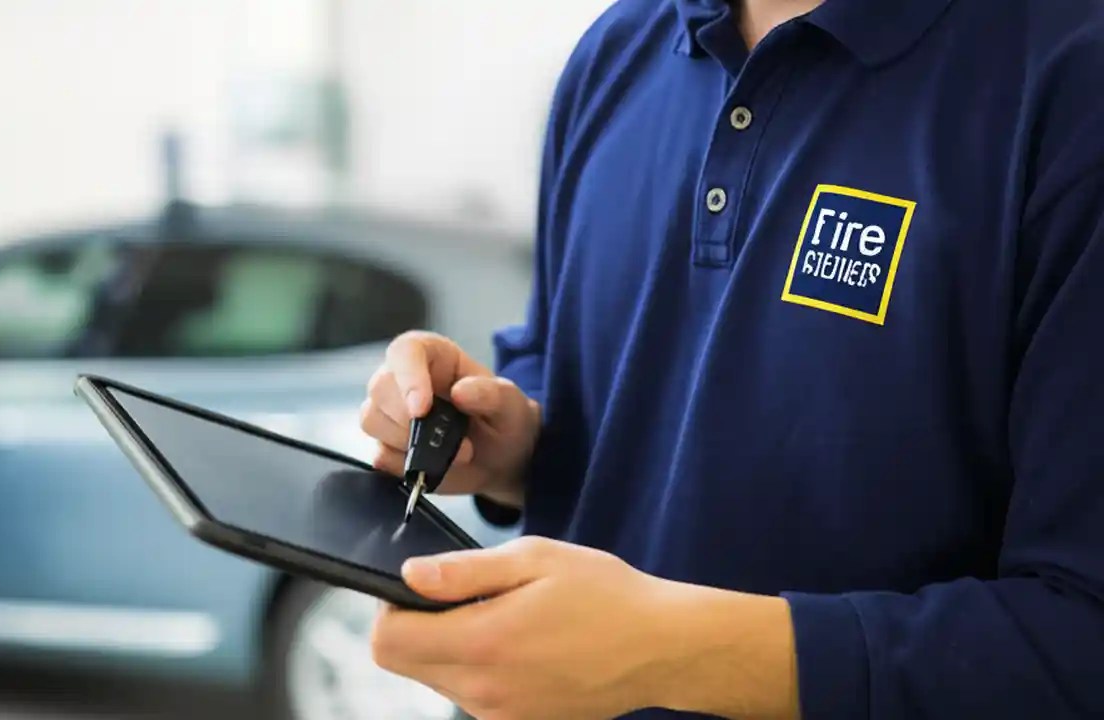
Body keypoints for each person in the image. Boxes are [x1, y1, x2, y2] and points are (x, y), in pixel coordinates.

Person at [359, 0, 1104, 717]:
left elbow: (1080, 636)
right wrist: (518, 440)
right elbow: (569, 360)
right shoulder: (617, 49)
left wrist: (673, 652)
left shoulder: (1071, 78)